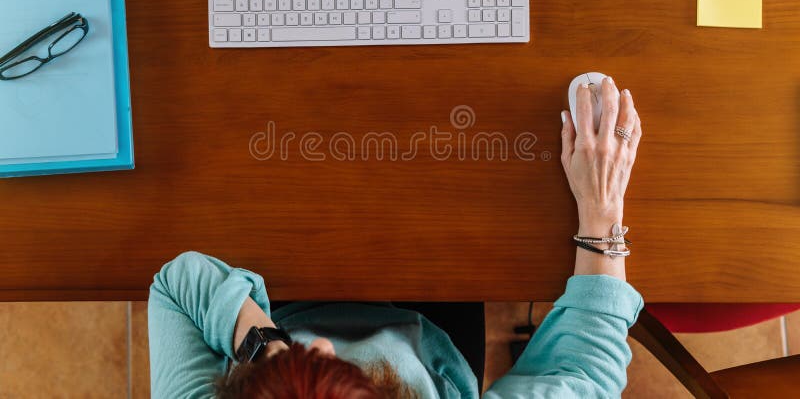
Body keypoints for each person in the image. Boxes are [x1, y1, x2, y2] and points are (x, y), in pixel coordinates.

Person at [148, 76, 644, 398]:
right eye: (334, 369)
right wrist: (601, 211)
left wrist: (264, 343)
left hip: (283, 302)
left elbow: (178, 284)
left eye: (306, 358)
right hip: (430, 333)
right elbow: (585, 374)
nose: (319, 345)